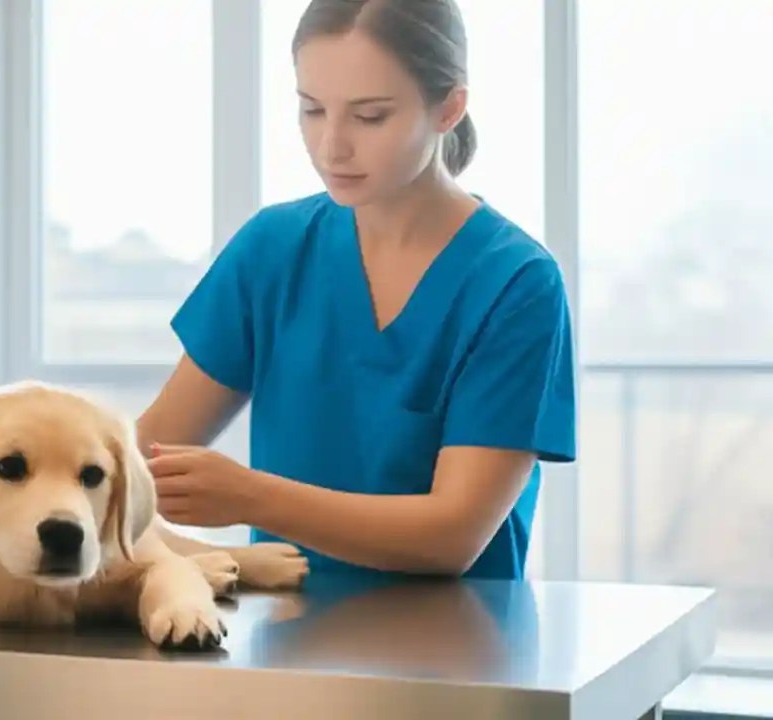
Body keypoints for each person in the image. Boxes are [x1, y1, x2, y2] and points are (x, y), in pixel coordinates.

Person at [137, 0, 576, 582]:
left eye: (370, 117)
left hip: (458, 632)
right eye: (312, 110)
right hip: (285, 625)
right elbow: (138, 461)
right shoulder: (272, 249)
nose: (331, 147)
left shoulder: (516, 283)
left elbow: (453, 536)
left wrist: (250, 497)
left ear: (449, 108)